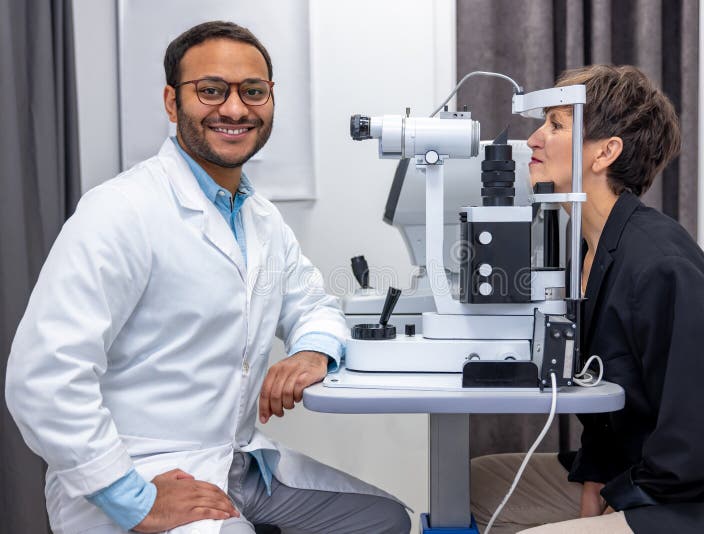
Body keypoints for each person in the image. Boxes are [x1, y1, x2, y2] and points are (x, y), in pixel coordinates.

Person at [5, 21, 410, 534]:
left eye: (253, 91)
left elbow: (313, 304)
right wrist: (134, 500)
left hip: (237, 462)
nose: (236, 109)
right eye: (211, 90)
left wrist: (313, 350)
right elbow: (42, 378)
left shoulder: (259, 218)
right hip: (142, 470)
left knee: (383, 521)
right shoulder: (120, 212)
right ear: (173, 103)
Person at [470, 65, 704, 534]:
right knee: (477, 482)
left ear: (605, 152)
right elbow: (611, 402)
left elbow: (690, 442)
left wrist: (622, 502)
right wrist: (595, 475)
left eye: (556, 125)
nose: (533, 140)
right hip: (643, 471)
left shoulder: (661, 266)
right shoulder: (588, 250)